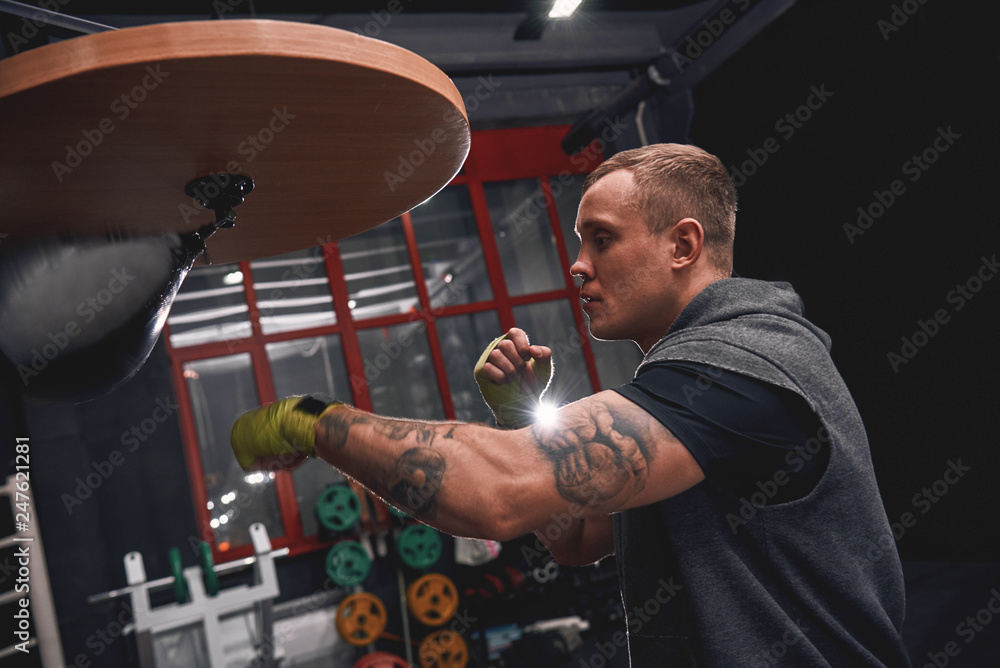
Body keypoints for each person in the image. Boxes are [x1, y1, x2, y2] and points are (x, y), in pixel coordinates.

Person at [230, 144, 911, 666]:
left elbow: (496, 494)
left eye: (602, 239)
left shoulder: (742, 365)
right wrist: (525, 418)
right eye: (580, 240)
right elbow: (582, 540)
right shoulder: (695, 375)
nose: (577, 263)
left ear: (683, 245)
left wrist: (317, 420)